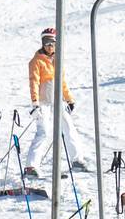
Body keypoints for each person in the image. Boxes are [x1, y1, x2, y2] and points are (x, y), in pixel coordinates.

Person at [22, 28, 89, 177]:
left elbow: (62, 82)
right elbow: (34, 82)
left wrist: (69, 99)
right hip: (44, 101)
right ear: (42, 43)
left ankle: (77, 160)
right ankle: (30, 167)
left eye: (52, 42)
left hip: (58, 99)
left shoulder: (57, 59)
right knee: (43, 132)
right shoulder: (37, 61)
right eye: (46, 42)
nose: (49, 46)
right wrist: (35, 104)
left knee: (69, 127)